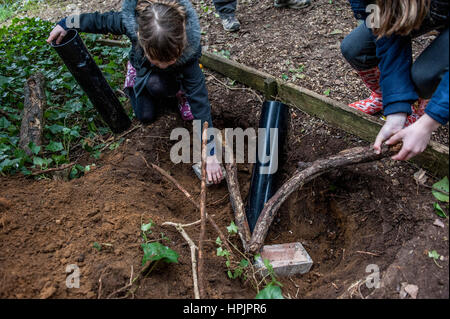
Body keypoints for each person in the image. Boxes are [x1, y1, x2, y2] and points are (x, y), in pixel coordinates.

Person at [47, 0, 224, 184]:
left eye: (170, 61)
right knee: (145, 115)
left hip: (174, 77)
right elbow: (99, 21)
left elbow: (200, 101)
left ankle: (179, 94)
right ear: (140, 37)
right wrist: (66, 23)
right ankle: (143, 78)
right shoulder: (131, 23)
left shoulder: (188, 51)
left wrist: (209, 153)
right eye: (157, 61)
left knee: (160, 85)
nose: (163, 65)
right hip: (143, 68)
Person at [340, 0, 449, 161]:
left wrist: (429, 122)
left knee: (425, 75)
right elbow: (387, 41)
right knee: (355, 47)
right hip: (420, 7)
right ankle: (385, 97)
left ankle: (425, 104)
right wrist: (397, 109)